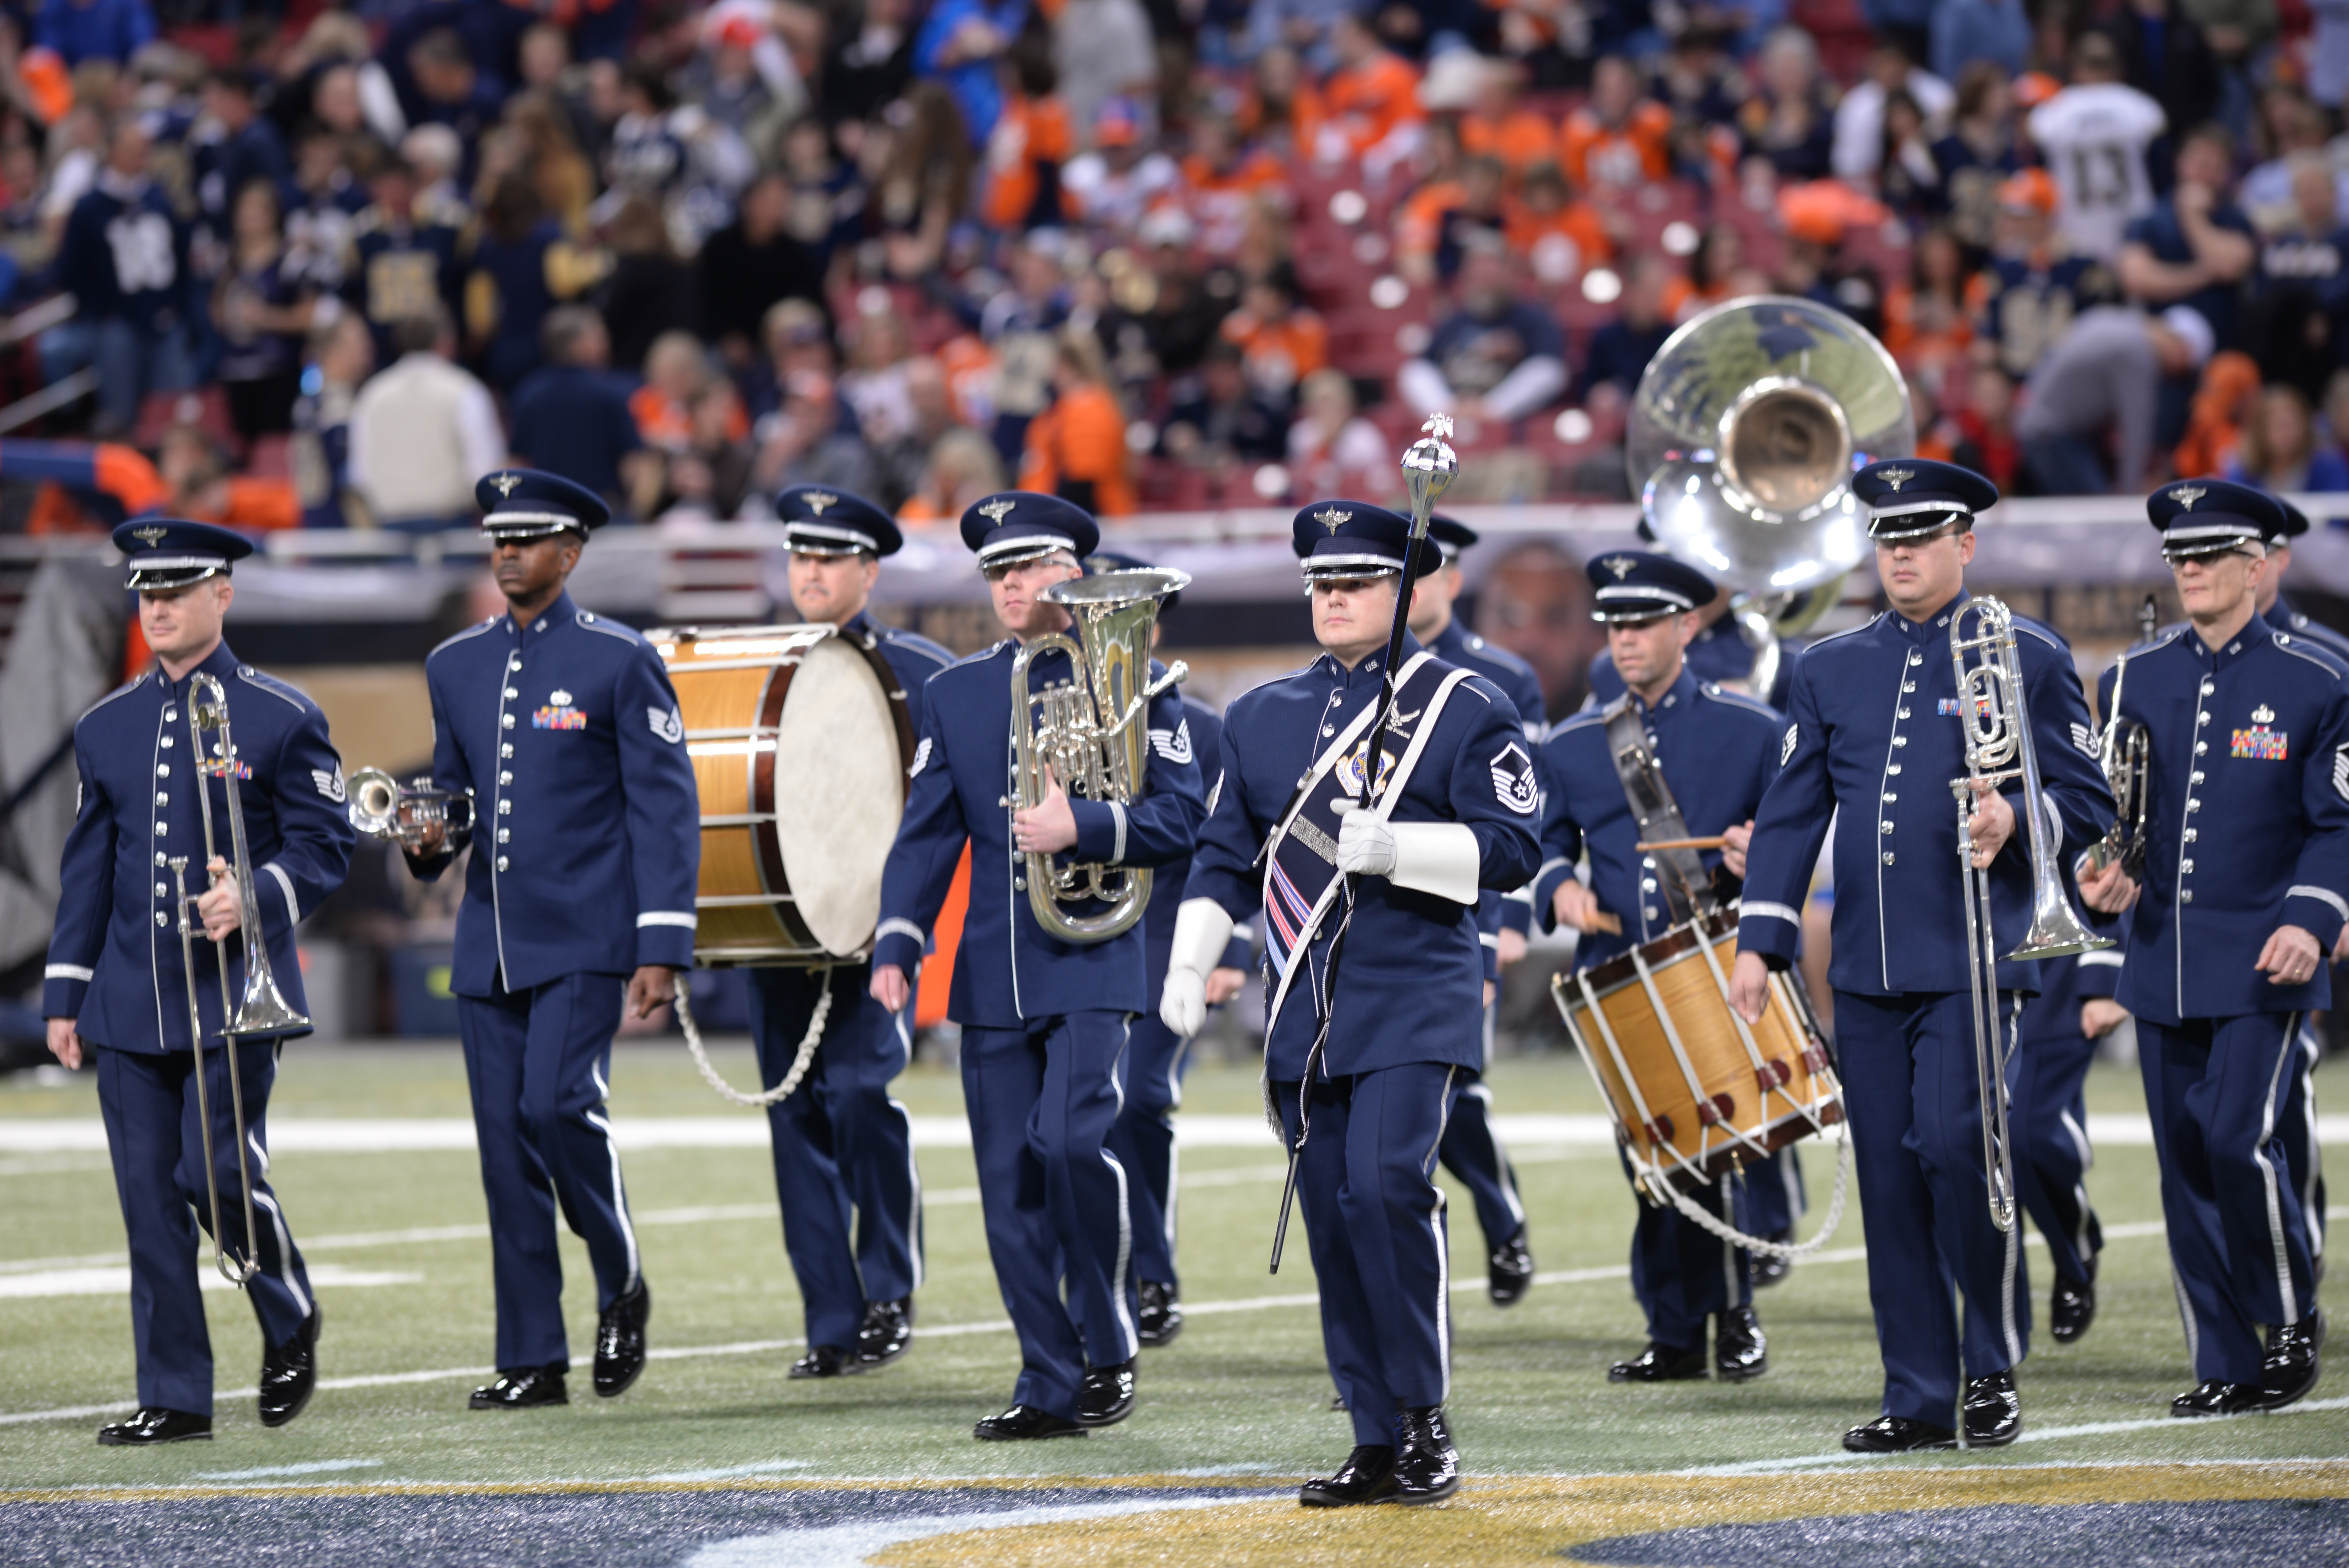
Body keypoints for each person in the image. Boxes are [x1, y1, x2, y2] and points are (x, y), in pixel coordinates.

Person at [1728, 458, 2115, 1452]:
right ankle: (1915, 1389)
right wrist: (1760, 937)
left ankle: (1988, 1367)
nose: (1899, 553)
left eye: (1920, 537)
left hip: (1979, 961)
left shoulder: (2024, 653)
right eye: (1887, 539)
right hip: (1863, 967)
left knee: (1956, 1149)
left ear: (1963, 543)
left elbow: (2091, 804)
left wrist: (2016, 815)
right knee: (1893, 1179)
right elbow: (1789, 810)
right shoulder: (1828, 664)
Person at [1165, 497, 1541, 1506]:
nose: (1335, 598)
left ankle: (1426, 1420)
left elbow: (1516, 846)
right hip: (1304, 1010)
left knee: (1385, 1190)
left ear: (1403, 588)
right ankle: (1374, 1434)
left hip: (1417, 995)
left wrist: (1403, 849)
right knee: (1334, 1217)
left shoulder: (1465, 706)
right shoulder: (1259, 716)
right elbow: (1223, 858)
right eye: (1322, 584)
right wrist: (1190, 961)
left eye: (1358, 581)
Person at [870, 493, 1205, 1440]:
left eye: (1032, 566)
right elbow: (927, 833)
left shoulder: (1138, 676)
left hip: (1095, 955)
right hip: (992, 975)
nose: (1013, 584)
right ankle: (1049, 1376)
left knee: (1067, 1146)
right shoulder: (959, 691)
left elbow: (1184, 820)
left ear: (1074, 573)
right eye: (999, 571)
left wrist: (1085, 827)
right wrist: (899, 935)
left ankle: (1109, 1337)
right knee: (1008, 1182)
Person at [43, 519, 354, 1444]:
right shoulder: (105, 725)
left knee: (214, 1173)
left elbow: (325, 845)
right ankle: (176, 1394)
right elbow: (87, 871)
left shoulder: (281, 712)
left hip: (234, 994)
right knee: (148, 1200)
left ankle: (286, 1304)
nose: (158, 607)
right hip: (132, 999)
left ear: (223, 592)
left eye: (177, 590)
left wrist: (254, 896)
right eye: (147, 593)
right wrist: (66, 994)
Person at [398, 469, 700, 1411]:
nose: (508, 551)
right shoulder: (453, 664)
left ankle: (620, 1274)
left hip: (587, 932)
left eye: (528, 539)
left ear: (569, 554)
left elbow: (666, 809)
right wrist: (425, 837)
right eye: (499, 536)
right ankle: (532, 1354)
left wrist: (663, 943)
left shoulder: (620, 659)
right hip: (488, 939)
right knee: (502, 1147)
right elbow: (449, 801)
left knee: (555, 1107)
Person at [2078, 478, 2346, 1417]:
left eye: (2206, 556)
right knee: (2184, 1161)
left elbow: (2337, 823)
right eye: (2177, 558)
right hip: (2161, 956)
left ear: (2254, 564)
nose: (2188, 569)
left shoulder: (2318, 680)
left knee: (2236, 1136)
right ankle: (2224, 1362)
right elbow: (2118, 819)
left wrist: (2308, 919)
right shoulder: (2131, 678)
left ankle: (2285, 1318)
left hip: (2262, 958)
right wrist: (2103, 871)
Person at [1533, 550, 1783, 1383]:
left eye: (1642, 624)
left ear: (1684, 626)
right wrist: (1558, 883)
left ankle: (1735, 1315)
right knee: (1645, 1160)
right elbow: (1537, 843)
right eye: (1615, 625)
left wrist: (1762, 857)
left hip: (1711, 965)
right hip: (1617, 976)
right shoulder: (1573, 744)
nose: (1625, 640)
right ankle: (1672, 1330)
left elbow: (1794, 832)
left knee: (1723, 1147)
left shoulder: (1747, 730)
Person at [752, 486, 954, 1378]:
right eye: (801, 557)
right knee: (794, 1118)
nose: (812, 572)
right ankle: (831, 1320)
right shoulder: (758, 669)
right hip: (776, 936)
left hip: (877, 935)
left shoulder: (924, 670)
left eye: (831, 559)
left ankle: (887, 1287)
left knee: (864, 1098)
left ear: (869, 572)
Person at [1089, 549, 1252, 1347]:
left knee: (1140, 1095)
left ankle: (1151, 1272)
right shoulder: (1050, 715)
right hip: (1076, 939)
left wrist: (1232, 950)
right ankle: (1100, 1271)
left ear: (1152, 625)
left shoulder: (1207, 728)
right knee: (1079, 1112)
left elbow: (1241, 850)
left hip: (1167, 939)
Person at [1414, 515, 1544, 1303]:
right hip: (1383, 916)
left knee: (1455, 1089)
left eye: (1422, 574)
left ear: (1453, 581)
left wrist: (1504, 928)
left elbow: (1517, 815)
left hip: (1468, 915)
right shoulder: (1366, 672)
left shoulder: (1500, 677)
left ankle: (1501, 1217)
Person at [347, 306, 507, 533]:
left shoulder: (372, 395)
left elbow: (360, 474)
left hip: (392, 525)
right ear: (445, 340)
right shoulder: (464, 390)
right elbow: (485, 469)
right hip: (450, 525)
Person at [2026, 32, 2165, 265]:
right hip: (2132, 228)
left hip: (2072, 227)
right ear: (2118, 68)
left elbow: (2036, 172)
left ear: (2076, 68)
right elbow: (2160, 172)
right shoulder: (2141, 107)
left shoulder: (2053, 111)